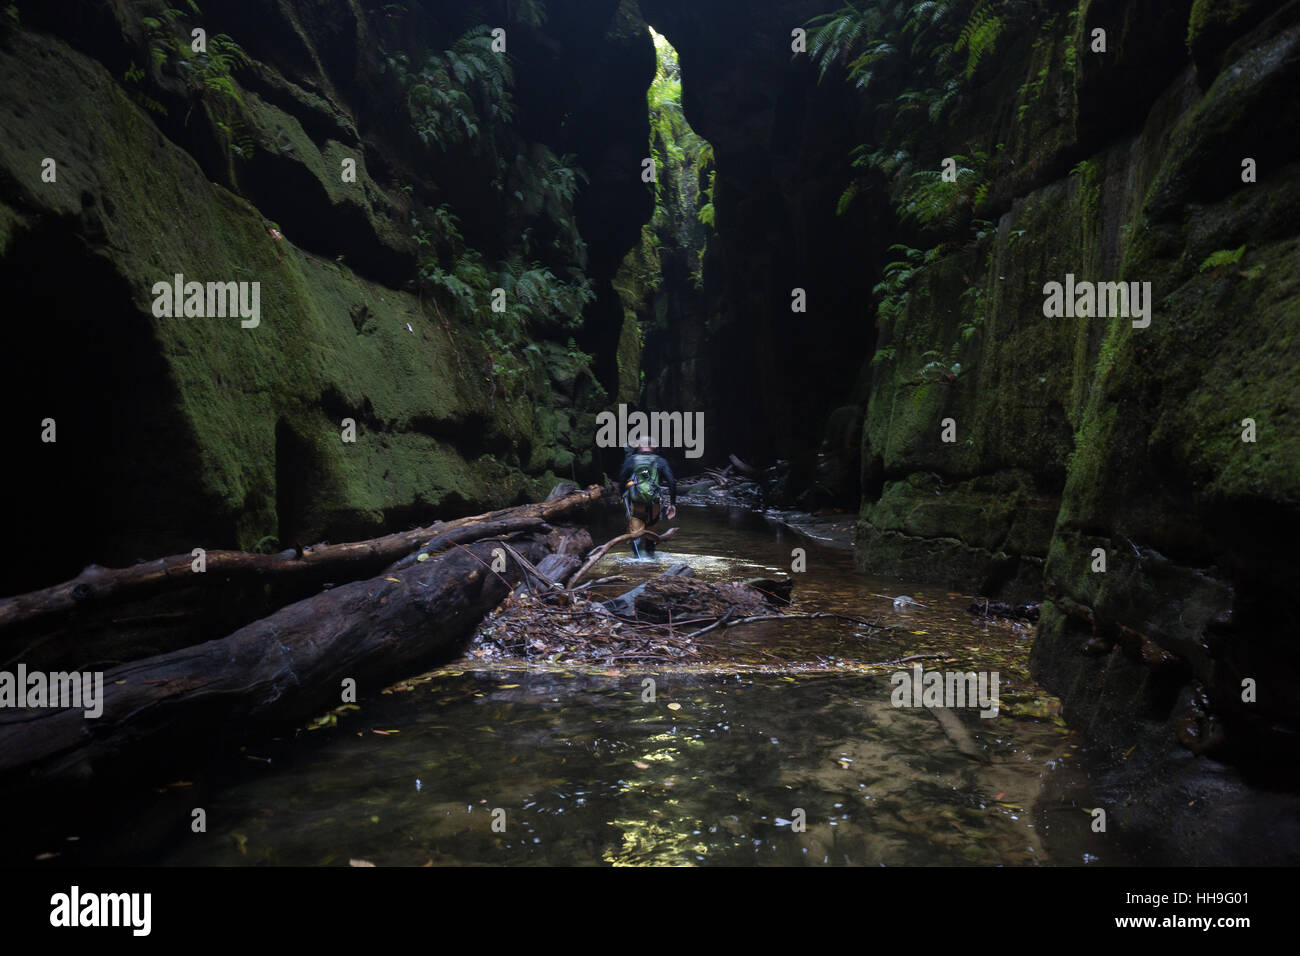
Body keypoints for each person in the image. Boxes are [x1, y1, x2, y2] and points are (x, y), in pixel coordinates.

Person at [619, 441, 677, 557]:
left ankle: (638, 561)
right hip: (654, 504)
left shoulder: (632, 460)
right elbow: (672, 482)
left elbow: (622, 479)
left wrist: (621, 495)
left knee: (635, 535)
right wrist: (672, 504)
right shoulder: (660, 461)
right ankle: (651, 560)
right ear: (654, 447)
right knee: (651, 533)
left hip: (637, 504)